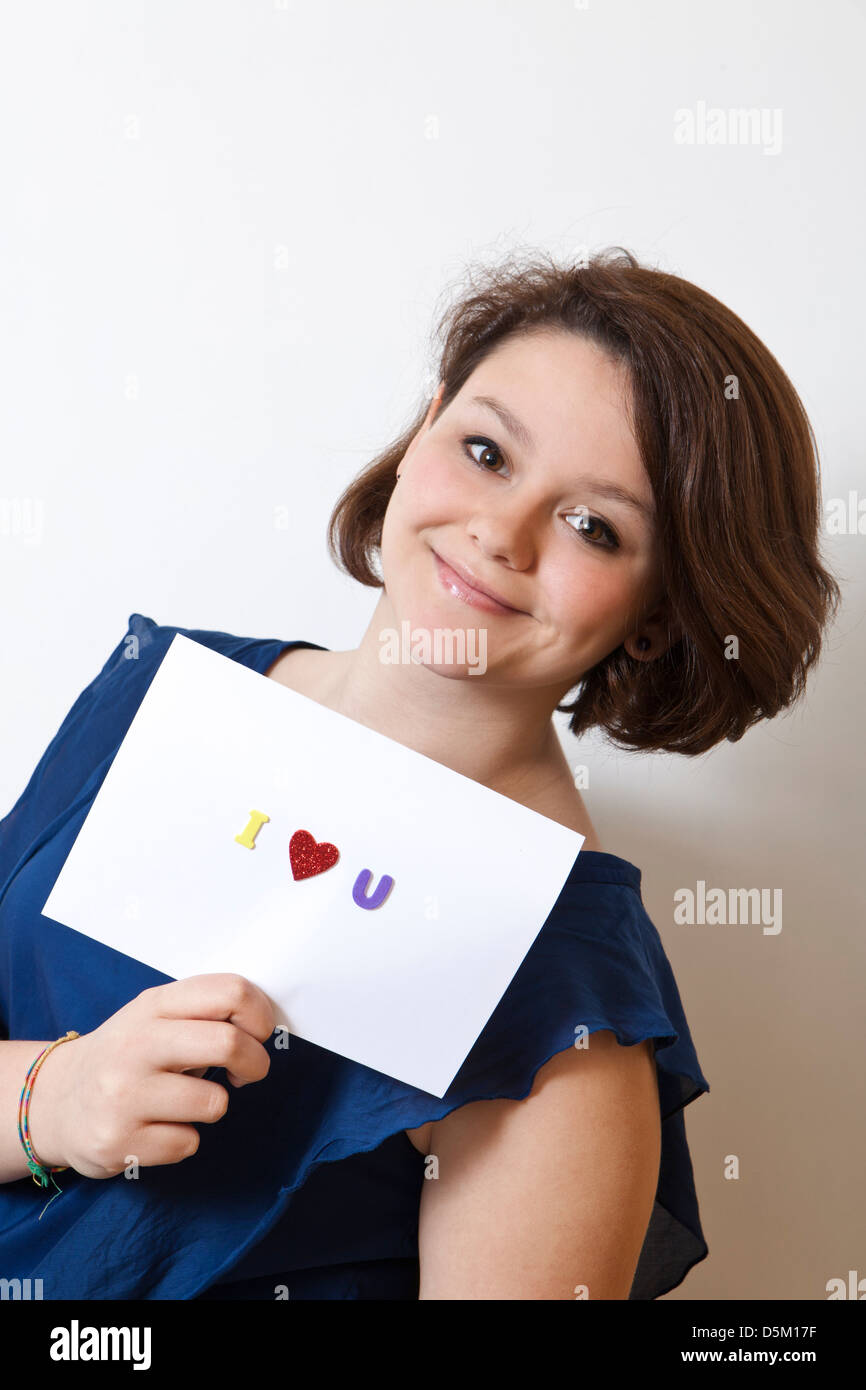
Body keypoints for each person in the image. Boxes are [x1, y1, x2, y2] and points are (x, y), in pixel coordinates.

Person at [0, 249, 840, 1300]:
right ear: (424, 427)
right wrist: (52, 1098)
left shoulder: (561, 987)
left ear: (658, 617)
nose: (500, 532)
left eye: (593, 526)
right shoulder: (159, 691)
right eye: (486, 450)